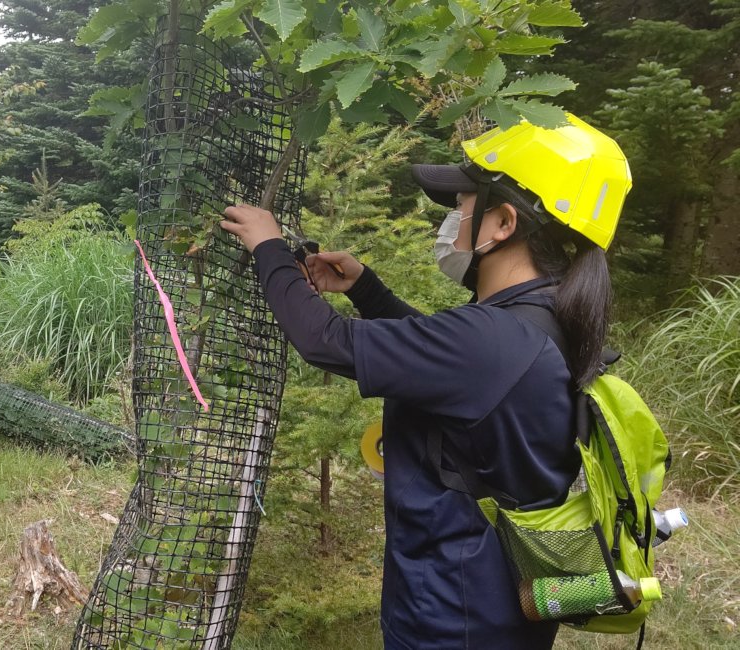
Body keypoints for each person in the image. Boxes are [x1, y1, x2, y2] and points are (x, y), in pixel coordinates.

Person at [219, 114, 632, 650]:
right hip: (498, 608)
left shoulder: (493, 339)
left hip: (450, 618)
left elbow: (324, 342)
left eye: (462, 203)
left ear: (503, 223)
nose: (454, 218)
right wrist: (368, 290)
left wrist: (268, 247)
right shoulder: (542, 318)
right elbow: (451, 365)